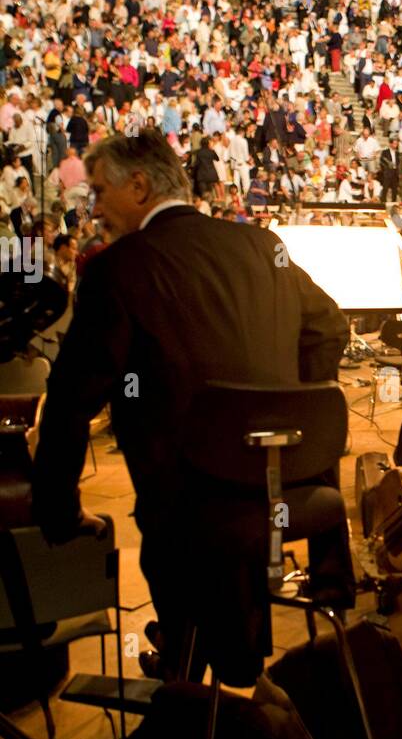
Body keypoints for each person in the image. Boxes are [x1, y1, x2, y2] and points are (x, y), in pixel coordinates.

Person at [32, 131, 351, 688]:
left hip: (185, 506)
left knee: (179, 551)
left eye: (101, 190)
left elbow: (69, 400)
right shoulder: (259, 246)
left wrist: (57, 512)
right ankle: (221, 667)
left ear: (139, 186)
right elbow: (329, 326)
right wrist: (292, 402)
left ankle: (189, 693)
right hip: (285, 486)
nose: (94, 206)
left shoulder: (118, 267)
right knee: (217, 569)